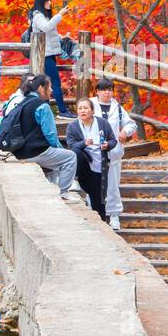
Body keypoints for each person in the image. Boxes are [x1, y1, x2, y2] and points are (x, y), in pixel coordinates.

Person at [11, 74, 77, 192]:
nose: (51, 90)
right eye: (49, 87)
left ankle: (50, 188)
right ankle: (64, 193)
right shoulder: (43, 106)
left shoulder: (23, 102)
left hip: (19, 151)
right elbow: (51, 135)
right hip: (35, 152)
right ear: (41, 88)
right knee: (70, 157)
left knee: (53, 162)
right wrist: (60, 149)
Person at [91, 78, 138, 229]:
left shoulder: (117, 108)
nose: (107, 92)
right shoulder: (90, 105)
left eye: (110, 89)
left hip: (113, 152)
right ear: (97, 91)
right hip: (93, 152)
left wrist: (124, 131)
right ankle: (93, 214)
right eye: (104, 89)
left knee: (112, 185)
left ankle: (114, 215)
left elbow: (131, 124)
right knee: (92, 184)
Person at [65, 98, 116, 221]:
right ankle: (75, 180)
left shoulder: (103, 123)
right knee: (76, 153)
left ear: (92, 111)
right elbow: (71, 146)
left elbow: (113, 140)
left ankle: (103, 225)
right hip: (84, 165)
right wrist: (84, 143)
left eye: (86, 108)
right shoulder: (73, 126)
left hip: (99, 166)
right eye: (80, 108)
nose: (83, 111)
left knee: (98, 200)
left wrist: (107, 145)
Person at [29, 0, 74, 117]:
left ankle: (46, 111)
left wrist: (62, 37)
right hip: (44, 55)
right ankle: (63, 111)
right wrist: (60, 14)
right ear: (42, 1)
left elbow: (49, 33)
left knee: (46, 84)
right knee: (54, 83)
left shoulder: (44, 16)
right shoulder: (38, 16)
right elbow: (46, 27)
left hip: (48, 54)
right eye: (47, 0)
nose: (50, 3)